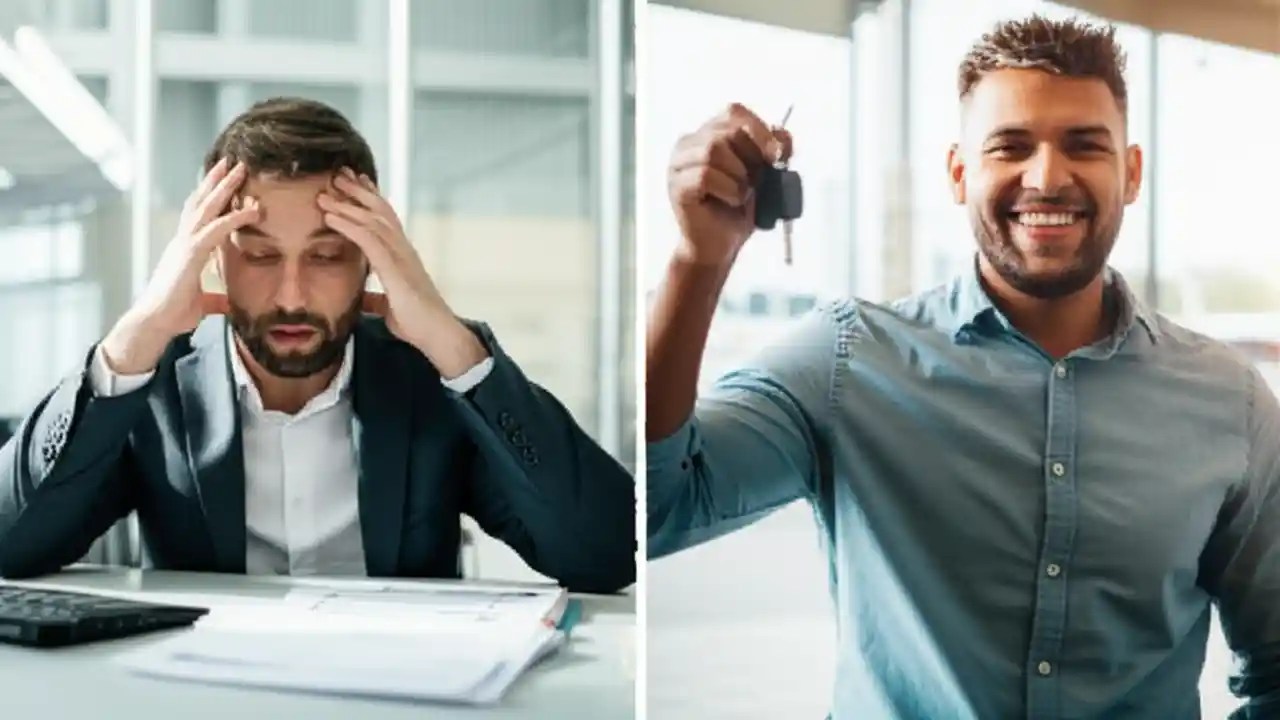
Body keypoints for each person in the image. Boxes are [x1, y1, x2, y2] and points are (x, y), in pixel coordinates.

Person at [647, 14, 1278, 719]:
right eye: (1010, 146)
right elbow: (654, 511)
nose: (1046, 177)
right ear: (960, 173)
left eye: (1084, 146)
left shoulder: (1232, 403)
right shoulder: (846, 359)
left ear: (1129, 173)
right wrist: (697, 262)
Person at [0, 97, 635, 594]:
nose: (293, 295)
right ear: (213, 257)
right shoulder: (150, 382)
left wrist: (454, 343)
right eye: (260, 256)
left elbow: (606, 552)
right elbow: (9, 543)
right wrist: (135, 334)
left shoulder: (432, 380)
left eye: (328, 256)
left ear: (372, 258)